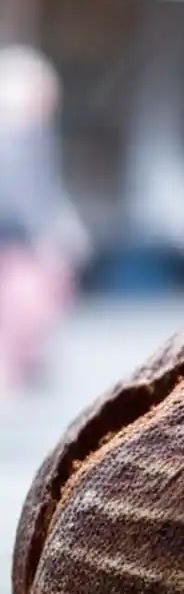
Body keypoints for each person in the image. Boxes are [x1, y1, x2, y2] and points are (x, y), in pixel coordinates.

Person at [0, 45, 89, 394]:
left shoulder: (29, 137)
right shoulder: (17, 139)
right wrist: (47, 237)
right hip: (18, 244)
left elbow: (42, 191)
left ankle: (19, 368)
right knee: (25, 306)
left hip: (20, 242)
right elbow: (28, 195)